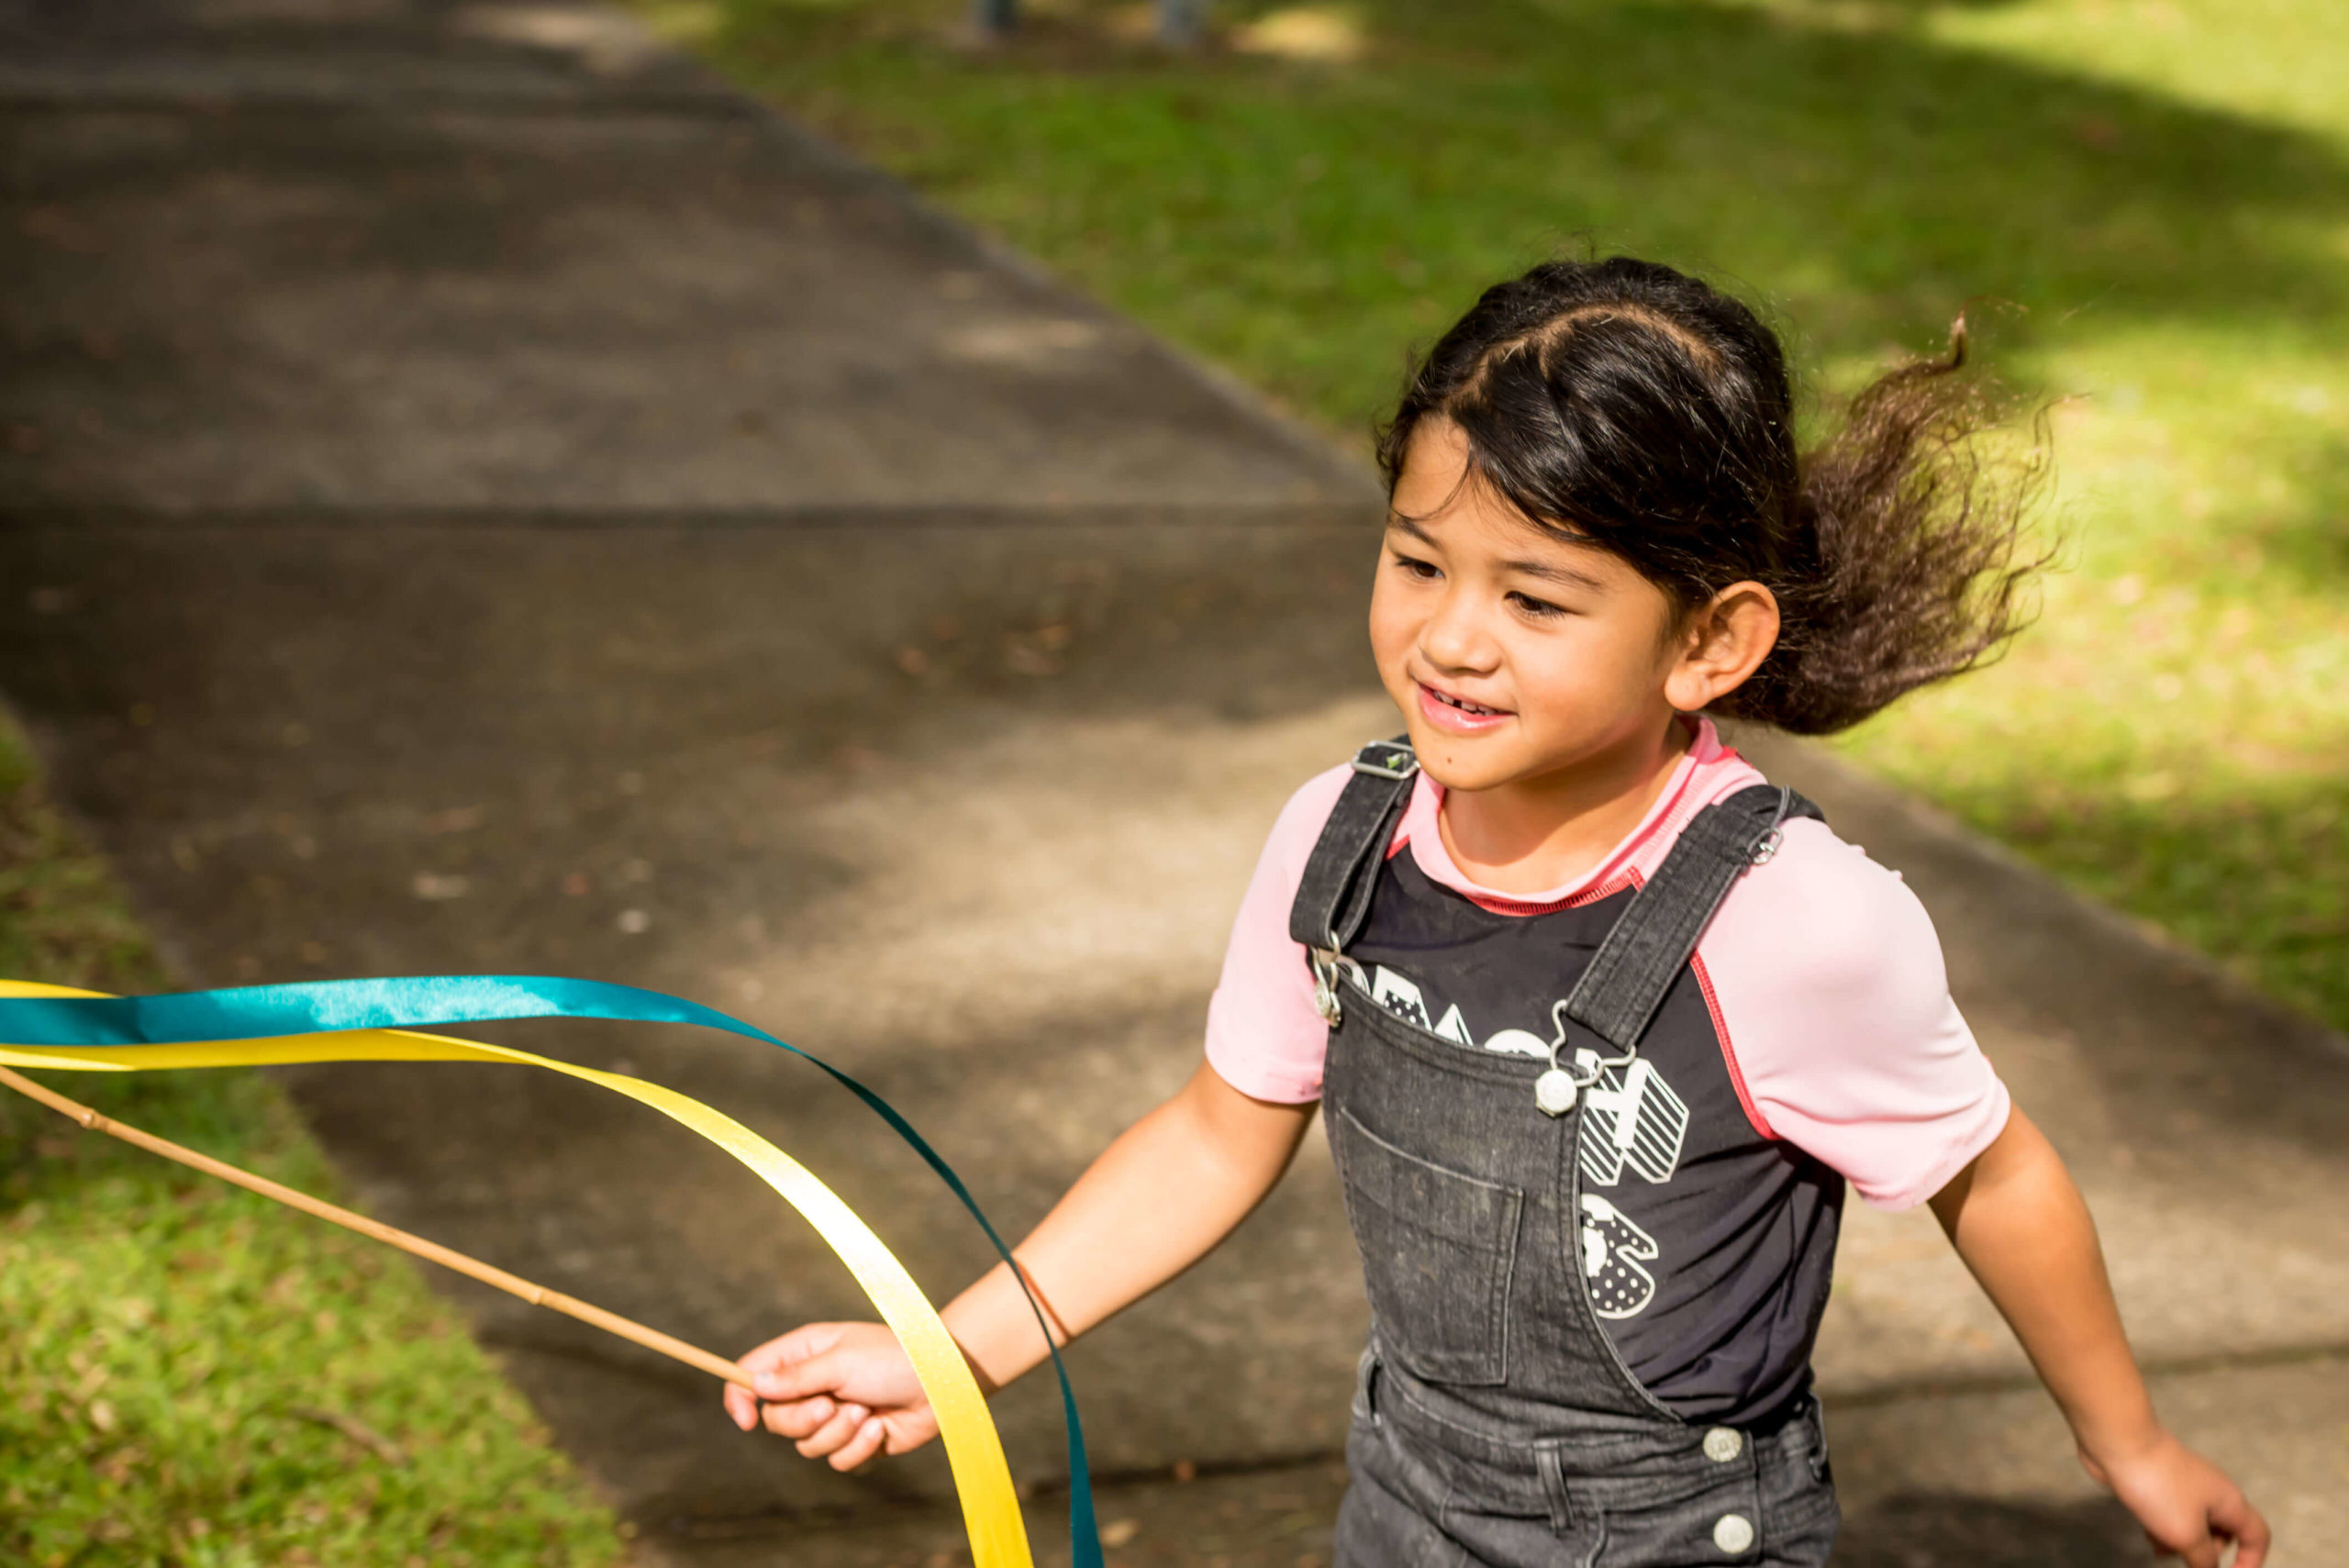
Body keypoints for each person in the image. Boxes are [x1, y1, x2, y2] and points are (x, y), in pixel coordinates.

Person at [722, 258, 2269, 1568]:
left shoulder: (1792, 919)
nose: (1451, 637)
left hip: (1674, 1534)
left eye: (1536, 598)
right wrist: (954, 1349)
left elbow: (1991, 1172)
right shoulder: (1340, 838)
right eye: (1417, 560)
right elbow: (1213, 1131)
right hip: (1402, 1501)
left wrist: (2124, 1438)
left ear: (1710, 639)